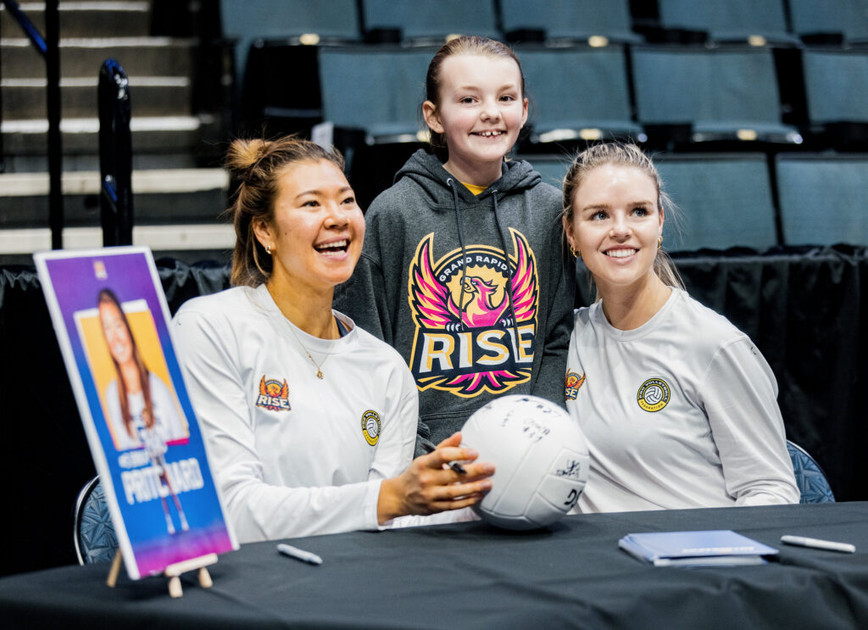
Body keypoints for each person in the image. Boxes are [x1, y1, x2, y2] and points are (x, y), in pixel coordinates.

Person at [171, 136, 494, 543]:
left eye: (346, 201)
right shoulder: (210, 327)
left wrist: (470, 501)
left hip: (352, 591)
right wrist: (387, 499)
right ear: (265, 230)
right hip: (247, 591)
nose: (338, 217)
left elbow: (389, 526)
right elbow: (229, 512)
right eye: (312, 204)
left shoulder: (387, 369)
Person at [335, 35, 575, 453]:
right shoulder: (393, 213)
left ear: (524, 109)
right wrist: (414, 454)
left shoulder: (550, 209)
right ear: (434, 116)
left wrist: (539, 436)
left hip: (528, 455)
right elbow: (367, 350)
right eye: (468, 100)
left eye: (505, 97)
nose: (490, 113)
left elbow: (557, 338)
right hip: (421, 461)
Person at [560, 142, 799, 512]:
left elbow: (771, 490)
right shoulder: (564, 339)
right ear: (572, 233)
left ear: (659, 223)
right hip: (594, 566)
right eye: (599, 215)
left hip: (695, 563)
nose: (620, 230)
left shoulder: (714, 344)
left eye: (638, 211)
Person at [98, 288, 189, 533]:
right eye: (107, 328)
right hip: (143, 503)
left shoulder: (158, 387)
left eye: (118, 325)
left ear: (129, 328)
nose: (116, 337)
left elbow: (182, 447)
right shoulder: (111, 394)